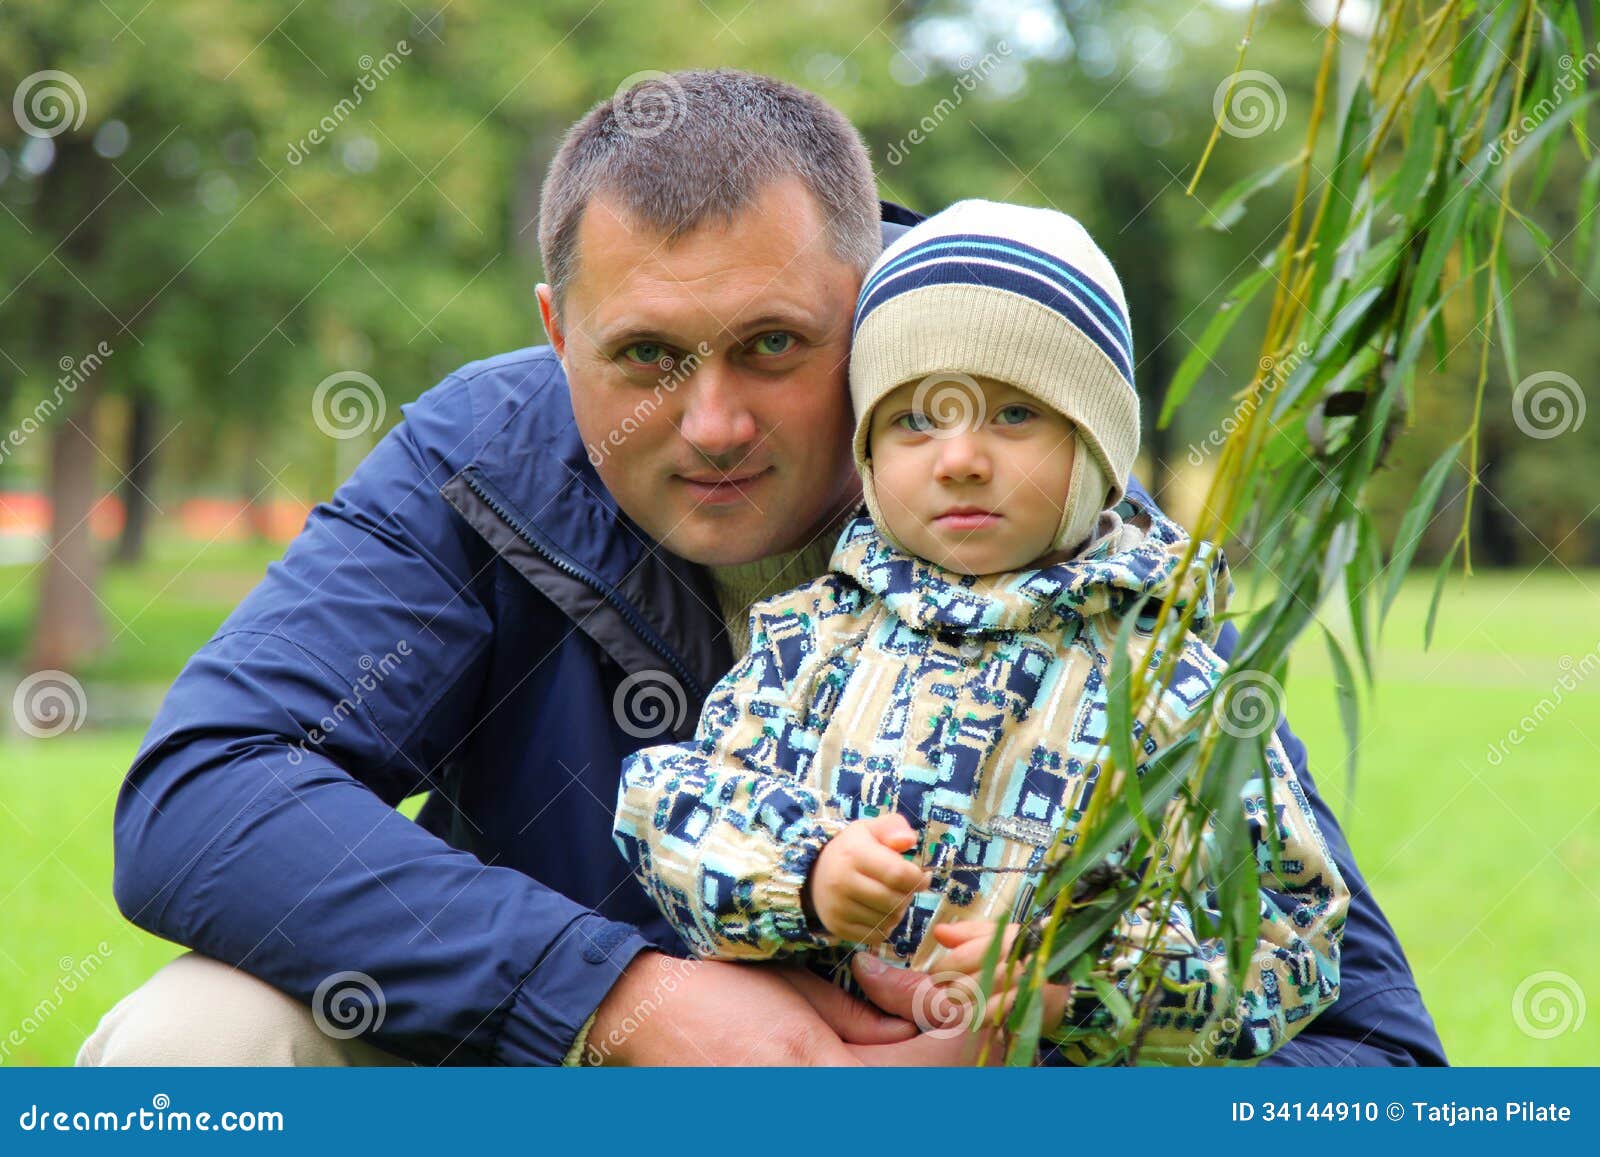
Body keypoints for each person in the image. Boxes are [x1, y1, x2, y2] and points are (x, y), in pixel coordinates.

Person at [82, 69, 1444, 1067]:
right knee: (194, 1044)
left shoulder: (1046, 516)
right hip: (561, 1071)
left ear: (872, 313)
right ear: (559, 334)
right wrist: (623, 998)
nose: (715, 421)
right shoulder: (481, 458)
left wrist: (1054, 1032)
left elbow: (1368, 1051)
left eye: (775, 347)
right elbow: (208, 791)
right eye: (648, 358)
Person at [613, 199, 1349, 1064]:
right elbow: (664, 804)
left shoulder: (1173, 686)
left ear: (1096, 450)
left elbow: (1291, 940)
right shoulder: (812, 642)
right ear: (871, 454)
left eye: (1014, 415)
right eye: (916, 419)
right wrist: (806, 874)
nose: (960, 457)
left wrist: (1076, 984)